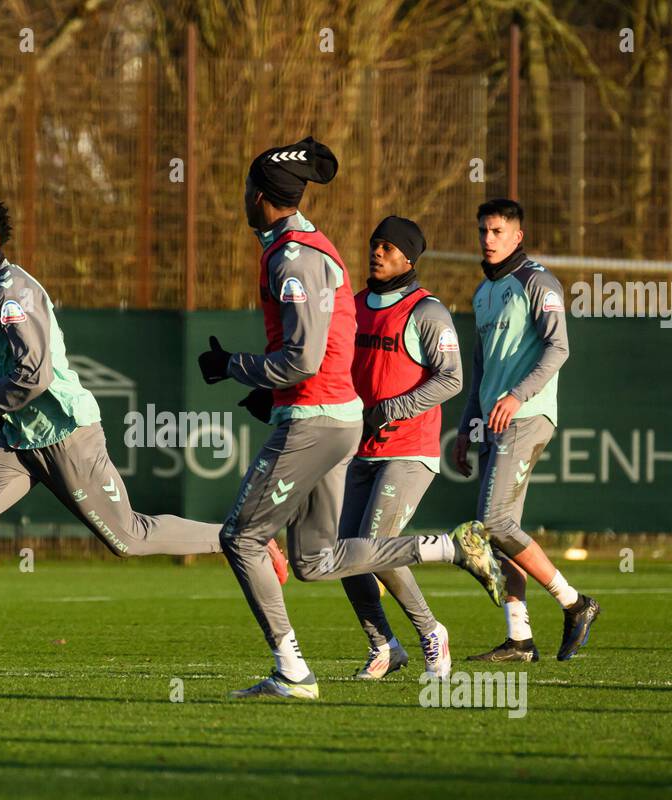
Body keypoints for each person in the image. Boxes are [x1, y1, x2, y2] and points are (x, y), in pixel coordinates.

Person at [0, 191, 288, 671]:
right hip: (21, 439)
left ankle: (244, 538)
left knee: (128, 538)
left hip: (66, 434)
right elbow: (20, 373)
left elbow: (34, 375)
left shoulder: (12, 293)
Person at [200, 137, 505, 701]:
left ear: (262, 194)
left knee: (240, 538)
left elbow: (305, 357)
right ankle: (445, 554)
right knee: (318, 560)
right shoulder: (310, 254)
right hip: (341, 423)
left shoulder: (295, 257)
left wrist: (234, 366)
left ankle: (294, 671)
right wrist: (272, 395)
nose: (378, 253)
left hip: (339, 425)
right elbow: (332, 350)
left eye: (247, 187)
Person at [454, 198, 601, 663]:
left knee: (493, 523)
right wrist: (465, 427)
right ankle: (519, 638)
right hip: (495, 422)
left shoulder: (537, 282)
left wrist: (517, 395)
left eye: (498, 231)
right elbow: (479, 368)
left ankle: (574, 602)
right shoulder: (482, 292)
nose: (488, 239)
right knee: (503, 529)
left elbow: (558, 349)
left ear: (518, 236)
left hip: (528, 415)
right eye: (483, 231)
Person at [342, 215, 461, 680]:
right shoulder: (354, 307)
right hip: (360, 449)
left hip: (409, 449)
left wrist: (391, 408)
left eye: (389, 248)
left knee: (374, 547)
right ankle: (385, 646)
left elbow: (451, 378)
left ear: (409, 258)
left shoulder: (427, 311)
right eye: (375, 244)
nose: (378, 252)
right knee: (342, 553)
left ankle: (432, 632)